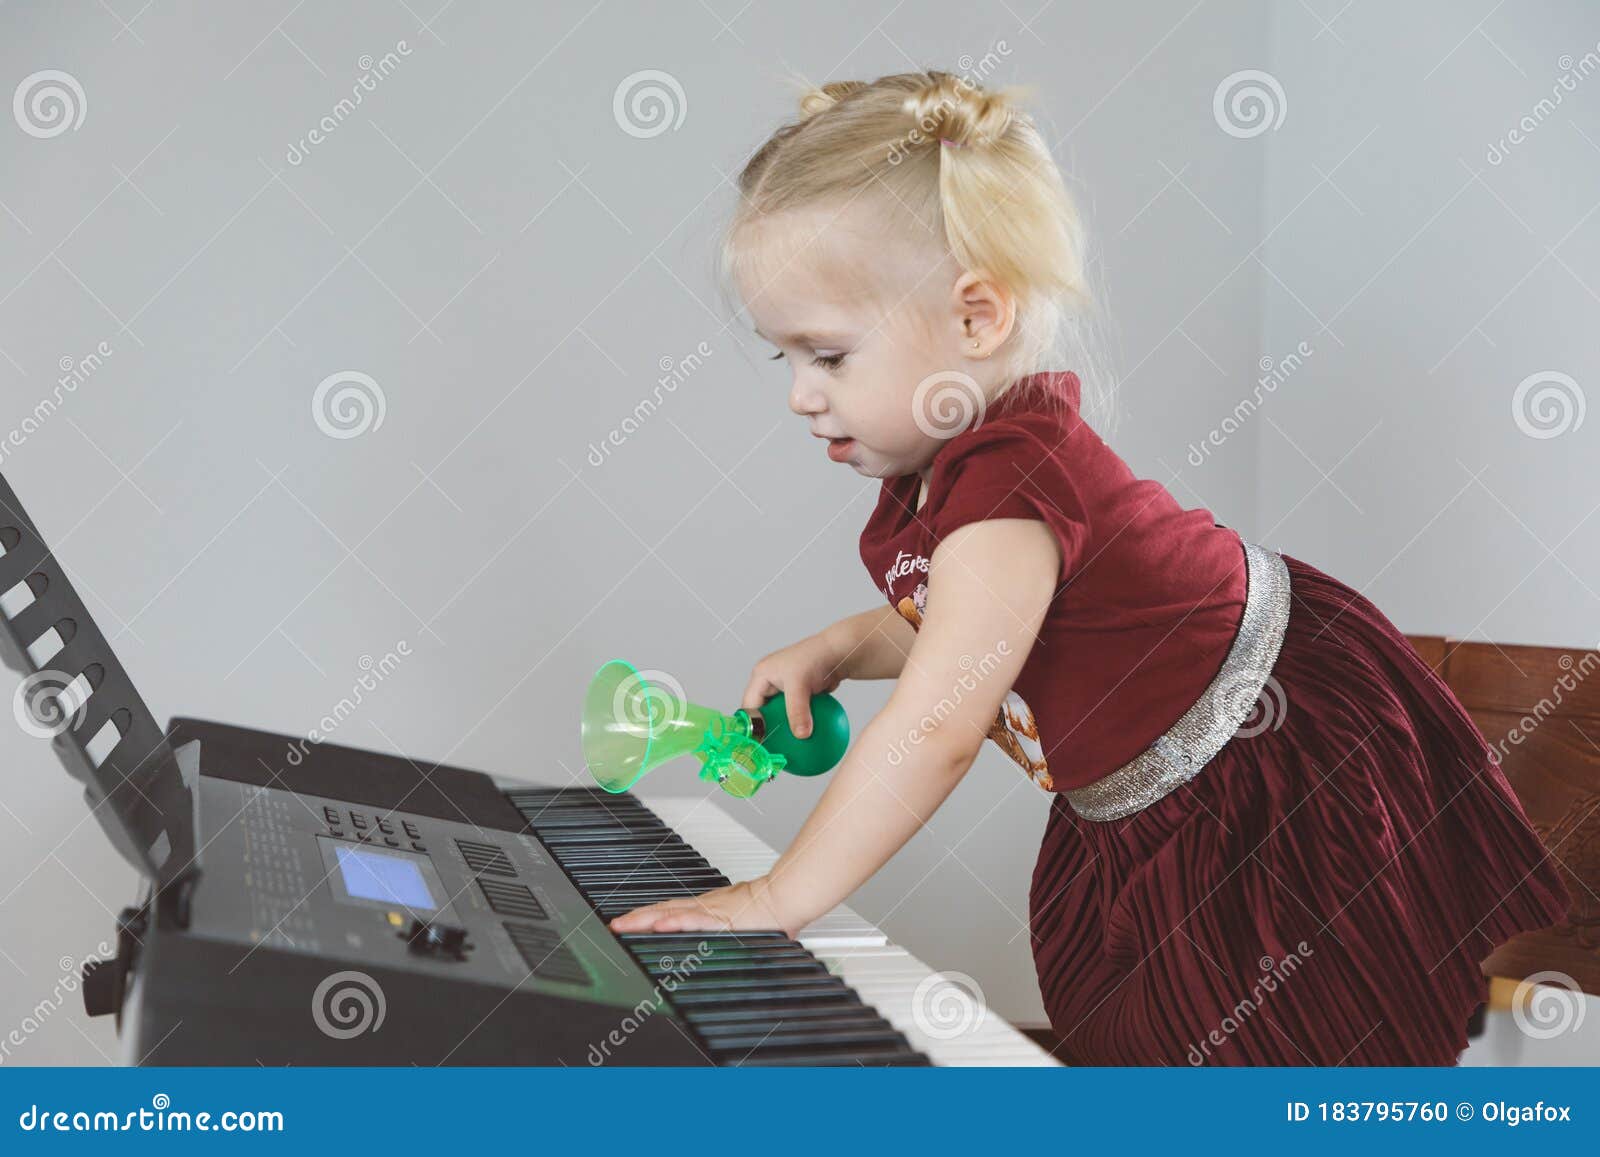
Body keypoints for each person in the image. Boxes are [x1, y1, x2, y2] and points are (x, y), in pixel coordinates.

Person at [607, 69, 1571, 1065]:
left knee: (1263, 1040)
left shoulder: (1009, 483)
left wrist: (780, 896)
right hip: (1152, 791)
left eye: (830, 356)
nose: (802, 396)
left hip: (1265, 761)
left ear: (976, 318)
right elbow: (982, 620)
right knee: (1135, 1029)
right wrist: (844, 646)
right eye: (787, 360)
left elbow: (938, 727)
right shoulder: (953, 477)